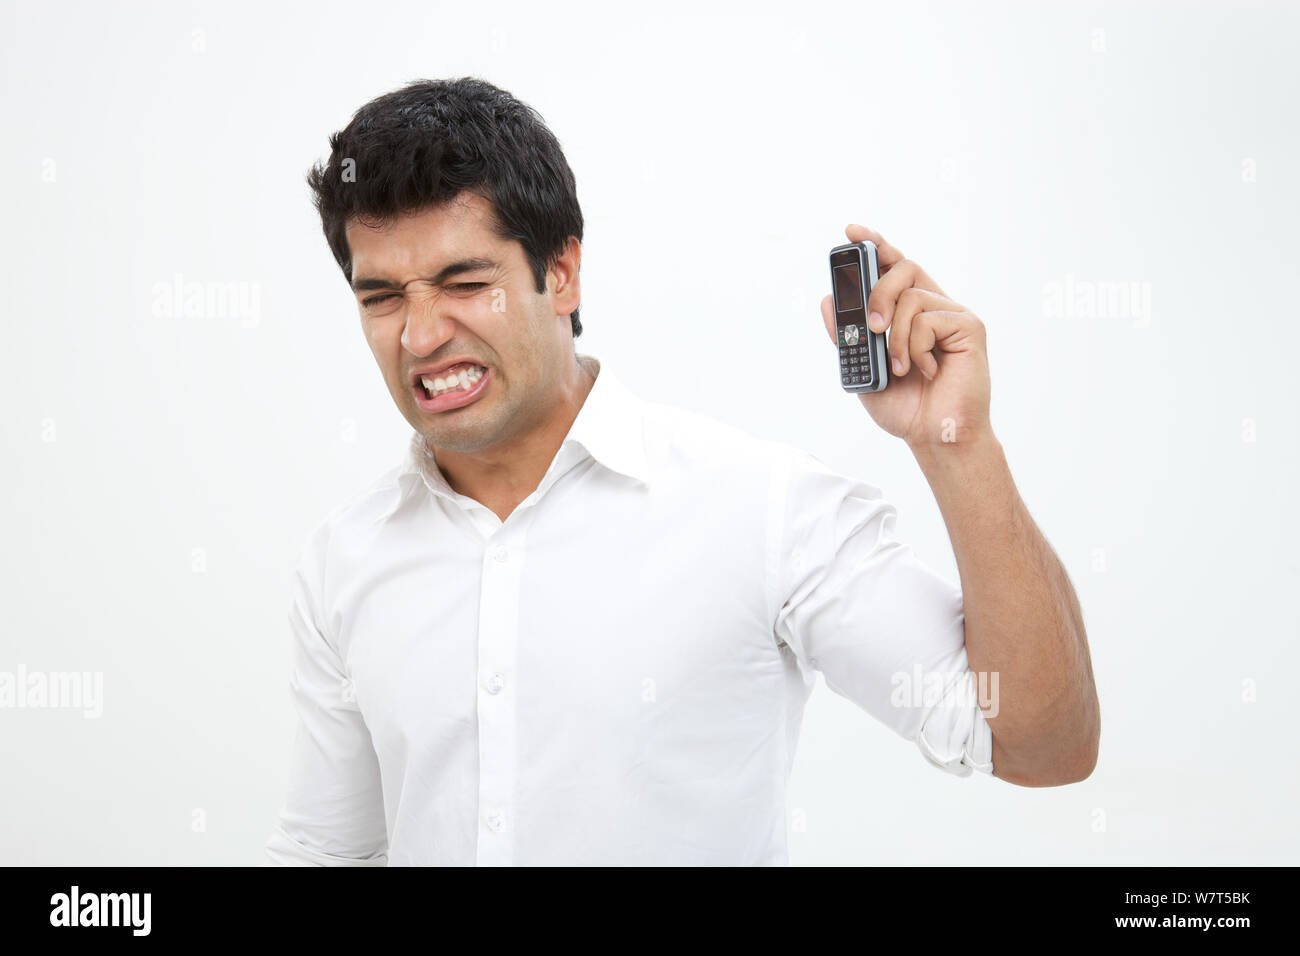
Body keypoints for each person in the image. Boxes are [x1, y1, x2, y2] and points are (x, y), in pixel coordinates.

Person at [263, 77, 1099, 866]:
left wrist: (956, 443)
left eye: (464, 282)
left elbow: (1039, 741)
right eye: (381, 298)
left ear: (560, 272)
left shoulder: (760, 509)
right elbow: (329, 854)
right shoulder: (347, 559)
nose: (419, 336)